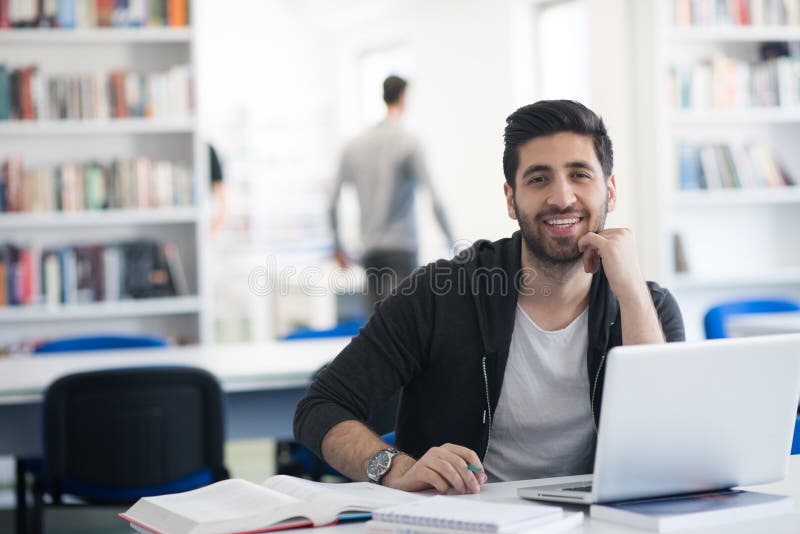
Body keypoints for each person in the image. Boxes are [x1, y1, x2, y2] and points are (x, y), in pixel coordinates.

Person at [295, 100, 684, 495]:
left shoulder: (648, 306)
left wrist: (632, 292)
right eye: (538, 179)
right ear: (511, 199)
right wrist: (393, 467)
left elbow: (666, 441)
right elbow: (321, 406)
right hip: (462, 522)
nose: (562, 197)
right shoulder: (438, 294)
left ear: (610, 191)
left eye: (580, 175)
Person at [329, 75, 454, 311]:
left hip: (369, 252)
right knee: (404, 329)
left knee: (376, 331)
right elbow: (433, 196)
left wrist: (336, 245)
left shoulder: (353, 145)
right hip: (401, 250)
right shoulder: (409, 142)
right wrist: (454, 244)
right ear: (403, 97)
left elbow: (331, 200)